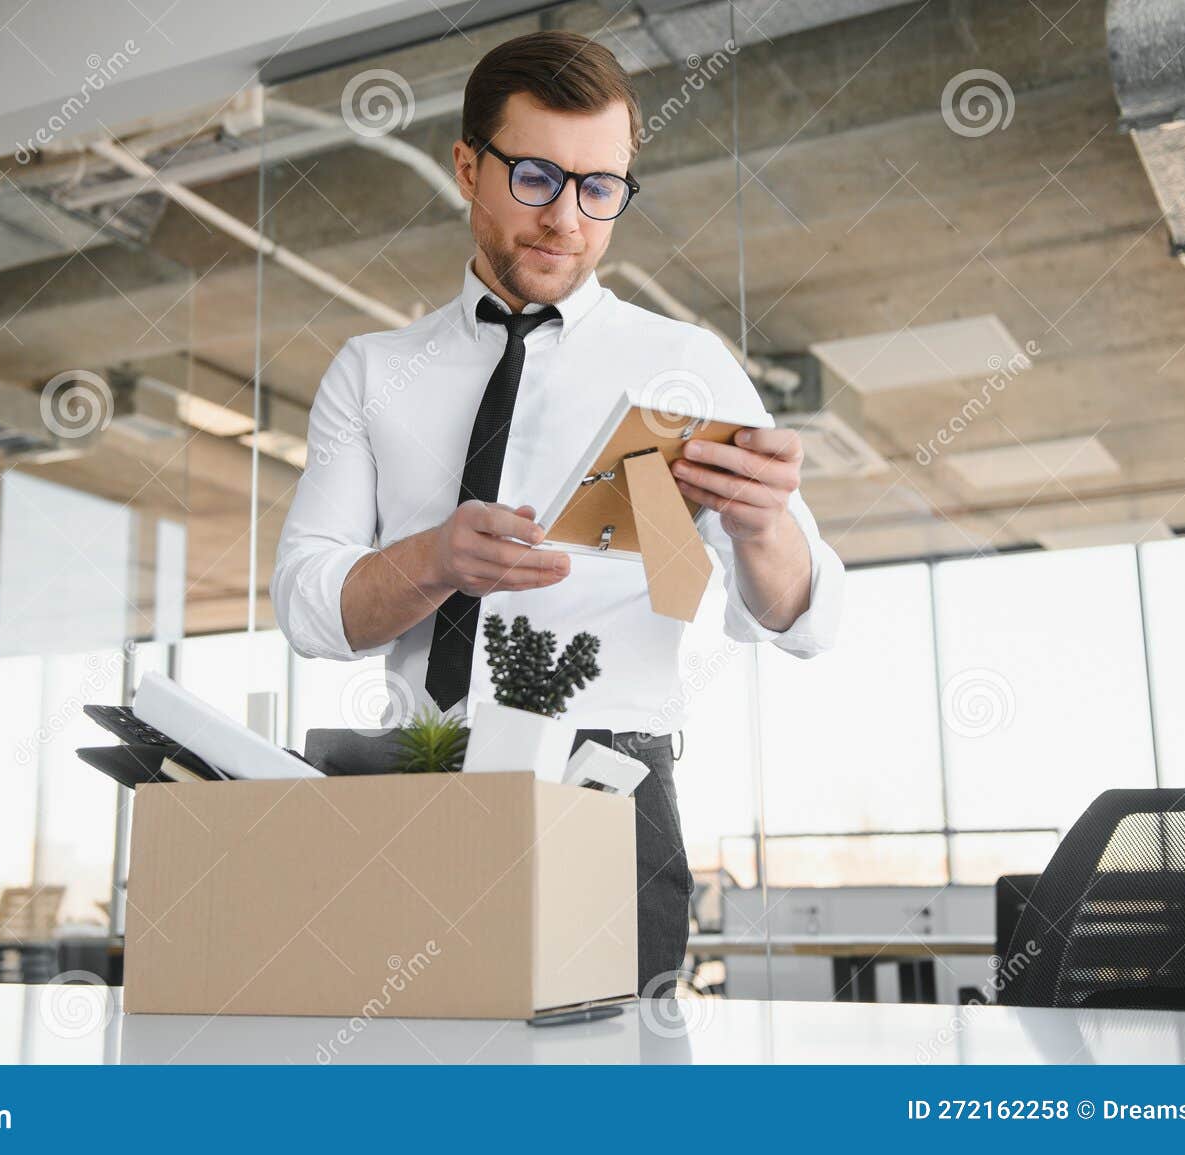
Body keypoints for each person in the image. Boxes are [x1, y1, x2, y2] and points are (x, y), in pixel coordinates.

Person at [271, 29, 844, 996]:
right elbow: (307, 608)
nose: (568, 220)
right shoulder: (372, 372)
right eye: (535, 177)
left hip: (607, 785)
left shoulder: (684, 363)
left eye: (600, 188)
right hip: (423, 773)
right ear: (467, 166)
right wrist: (435, 561)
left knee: (613, 1090)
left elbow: (805, 619)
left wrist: (762, 527)